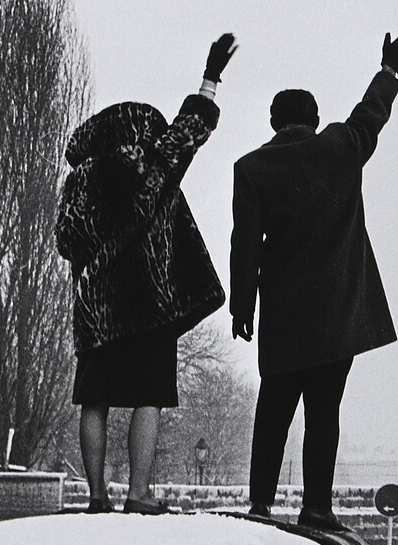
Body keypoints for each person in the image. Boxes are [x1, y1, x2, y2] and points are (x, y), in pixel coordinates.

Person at [231, 30, 398, 531]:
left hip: (285, 316)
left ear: (273, 123)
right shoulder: (340, 147)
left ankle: (260, 505)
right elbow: (370, 113)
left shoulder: (251, 168)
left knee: (273, 409)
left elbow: (244, 242)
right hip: (337, 313)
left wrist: (241, 305)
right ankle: (316, 506)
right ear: (315, 121)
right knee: (324, 411)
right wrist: (390, 68)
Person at [57, 34, 238, 515]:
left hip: (96, 309)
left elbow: (64, 242)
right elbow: (190, 129)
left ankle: (96, 497)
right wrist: (210, 78)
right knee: (148, 398)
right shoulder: (153, 168)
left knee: (93, 400)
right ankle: (138, 494)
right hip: (147, 303)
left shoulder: (79, 181)